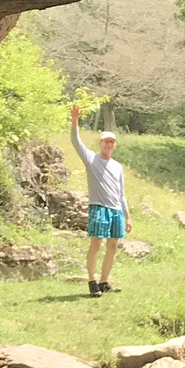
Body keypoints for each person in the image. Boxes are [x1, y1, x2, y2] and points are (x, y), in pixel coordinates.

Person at [68, 101, 129, 296]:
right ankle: (92, 281)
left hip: (116, 209)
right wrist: (75, 120)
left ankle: (104, 282)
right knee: (96, 244)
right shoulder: (91, 159)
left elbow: (121, 193)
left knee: (113, 245)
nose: (109, 144)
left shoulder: (117, 166)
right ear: (100, 143)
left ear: (114, 145)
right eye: (106, 141)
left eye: (112, 142)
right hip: (99, 206)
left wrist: (127, 215)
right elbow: (75, 141)